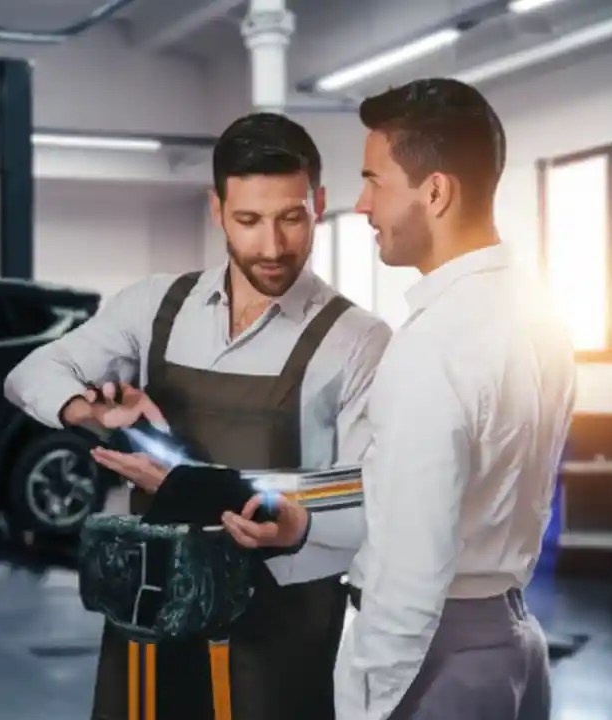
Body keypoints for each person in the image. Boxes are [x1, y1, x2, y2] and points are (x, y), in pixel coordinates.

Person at [4, 112, 392, 720]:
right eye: (248, 220)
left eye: (292, 217)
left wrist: (213, 493)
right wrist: (97, 413)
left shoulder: (357, 341)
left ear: (318, 202)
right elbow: (29, 374)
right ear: (217, 210)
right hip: (152, 610)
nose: (272, 245)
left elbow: (367, 498)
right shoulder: (158, 305)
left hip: (279, 630)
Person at [222, 78, 577, 720]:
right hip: (513, 641)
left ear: (434, 192)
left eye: (374, 180)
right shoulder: (540, 317)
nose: (361, 205)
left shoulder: (433, 345)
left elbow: (411, 570)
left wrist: (365, 700)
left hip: (436, 657)